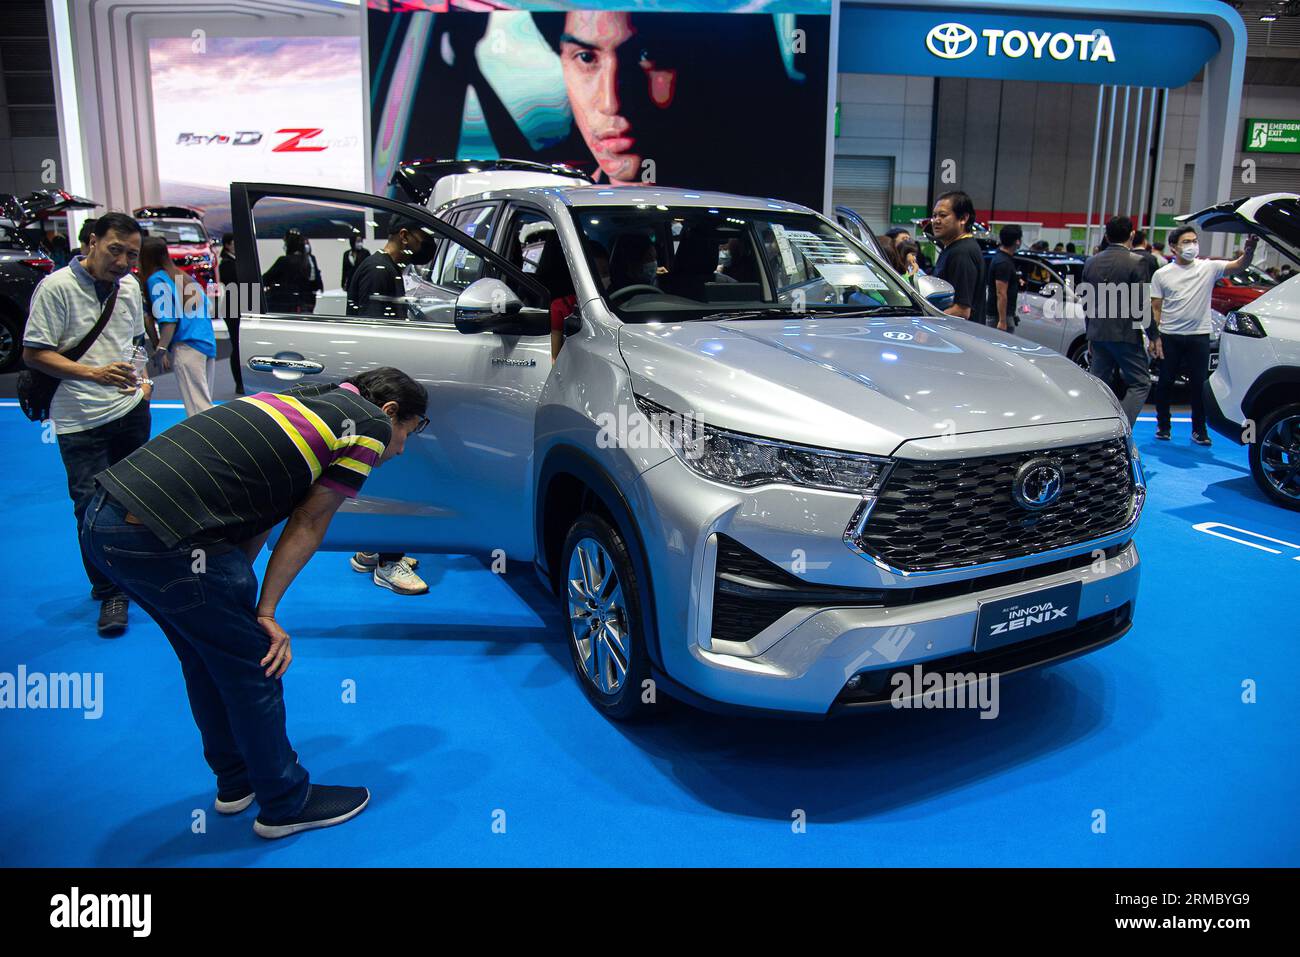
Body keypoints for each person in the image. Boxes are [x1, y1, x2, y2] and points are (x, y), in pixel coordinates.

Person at [83, 367, 426, 838]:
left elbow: (263, 505)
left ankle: (235, 781)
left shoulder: (306, 399)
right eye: (410, 431)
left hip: (106, 523)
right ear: (390, 412)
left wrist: (245, 602)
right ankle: (286, 803)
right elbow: (309, 519)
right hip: (164, 536)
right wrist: (264, 614)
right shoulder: (367, 424)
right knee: (255, 666)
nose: (402, 448)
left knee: (207, 656)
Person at [21, 212, 150, 637]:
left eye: (131, 254)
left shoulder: (129, 286)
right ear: (91, 242)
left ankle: (136, 576)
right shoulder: (55, 287)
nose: (123, 261)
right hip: (80, 421)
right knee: (90, 509)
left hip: (130, 411)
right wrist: (94, 374)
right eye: (115, 249)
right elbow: (35, 353)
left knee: (136, 501)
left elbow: (135, 341)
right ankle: (109, 589)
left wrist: (142, 382)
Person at [1151, 226, 1259, 445]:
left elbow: (1239, 266)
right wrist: (1155, 337)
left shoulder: (1209, 267)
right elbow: (1156, 308)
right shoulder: (1161, 274)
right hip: (1170, 336)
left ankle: (1199, 430)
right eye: (1186, 241)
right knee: (1165, 383)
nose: (1192, 245)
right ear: (1174, 247)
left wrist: (1249, 251)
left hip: (1199, 336)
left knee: (1199, 386)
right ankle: (1163, 426)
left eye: (1194, 240)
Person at [1079, 216, 1156, 427]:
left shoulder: (1091, 262)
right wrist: (1153, 336)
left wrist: (1090, 334)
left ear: (1106, 236)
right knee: (1140, 383)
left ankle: (1093, 427)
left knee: (1098, 386)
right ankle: (1122, 428)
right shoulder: (1137, 262)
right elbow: (1142, 304)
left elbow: (1087, 302)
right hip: (1125, 335)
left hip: (1097, 333)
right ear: (1131, 235)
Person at [139, 235, 217, 416]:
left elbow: (168, 320)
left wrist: (161, 349)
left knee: (197, 409)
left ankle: (206, 444)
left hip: (187, 345)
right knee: (204, 403)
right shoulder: (183, 277)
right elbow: (207, 307)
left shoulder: (156, 280)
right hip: (205, 341)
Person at [347, 218, 434, 320]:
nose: (429, 245)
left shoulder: (389, 268)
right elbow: (374, 328)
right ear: (404, 236)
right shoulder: (378, 271)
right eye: (425, 238)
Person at [930, 190, 985, 323]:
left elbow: (961, 310)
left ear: (963, 218)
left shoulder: (962, 252)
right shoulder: (952, 248)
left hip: (959, 336)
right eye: (934, 215)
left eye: (943, 215)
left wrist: (927, 320)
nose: (936, 220)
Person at [261, 231, 315, 313]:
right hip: (301, 304)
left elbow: (266, 278)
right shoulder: (307, 261)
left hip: (282, 304)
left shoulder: (284, 261)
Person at [217, 232, 245, 395]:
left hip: (240, 305)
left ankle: (242, 381)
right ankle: (239, 382)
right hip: (232, 307)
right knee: (237, 345)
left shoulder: (235, 261)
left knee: (240, 344)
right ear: (227, 244)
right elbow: (234, 282)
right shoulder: (226, 264)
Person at [986, 224, 1023, 332]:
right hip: (999, 317)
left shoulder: (1003, 259)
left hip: (1001, 315)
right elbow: (1001, 293)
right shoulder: (1003, 262)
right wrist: (1002, 321)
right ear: (1017, 241)